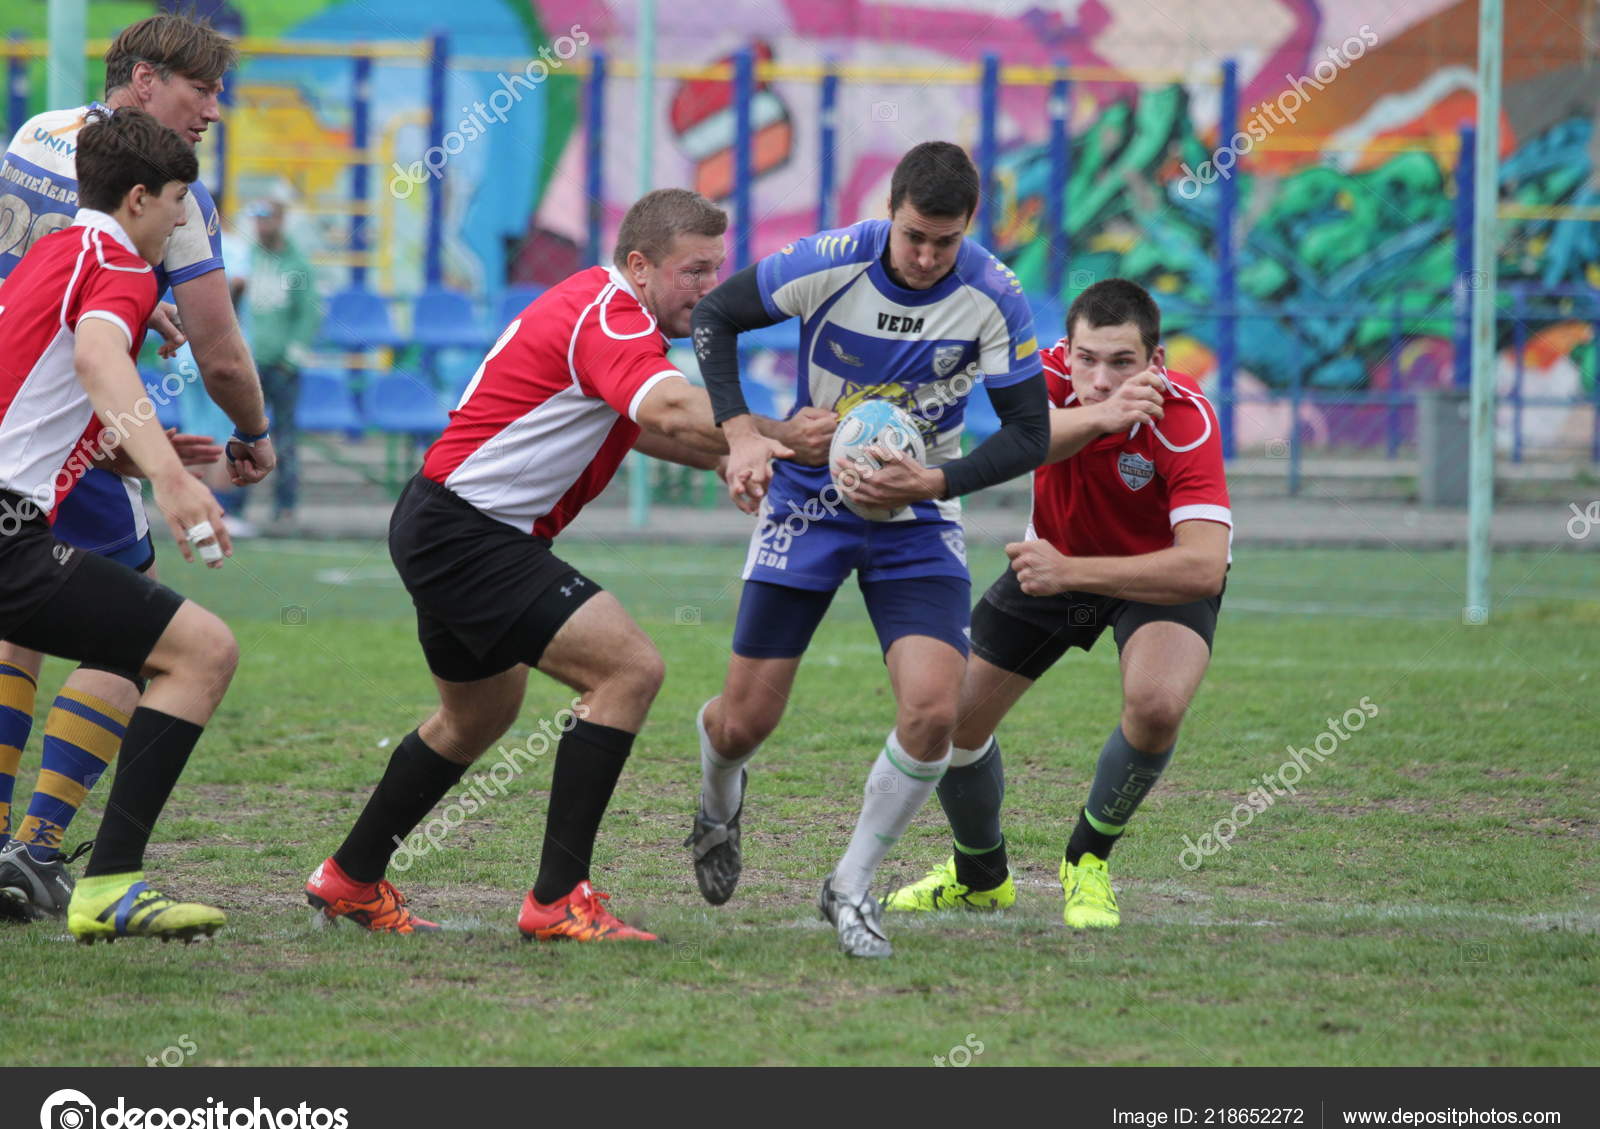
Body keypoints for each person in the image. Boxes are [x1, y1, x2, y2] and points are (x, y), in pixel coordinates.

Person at [305, 188, 829, 940]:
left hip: (450, 524)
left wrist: (745, 448)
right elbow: (670, 412)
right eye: (694, 271)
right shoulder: (613, 313)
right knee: (629, 670)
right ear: (641, 266)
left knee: (475, 716)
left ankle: (350, 877)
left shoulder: (607, 310)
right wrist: (769, 434)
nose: (710, 288)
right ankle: (557, 898)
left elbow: (648, 429)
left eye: (718, 270)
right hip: (468, 534)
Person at [685, 141, 1050, 957]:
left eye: (944, 242)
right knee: (744, 722)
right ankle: (717, 798)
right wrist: (745, 433)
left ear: (969, 232)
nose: (925, 257)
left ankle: (851, 884)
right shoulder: (830, 260)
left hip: (916, 517)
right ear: (891, 212)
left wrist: (934, 484)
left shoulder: (993, 295)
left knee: (933, 709)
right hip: (808, 501)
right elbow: (714, 317)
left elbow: (1031, 431)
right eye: (914, 235)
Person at [0, 13, 274, 919]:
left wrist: (123, 444)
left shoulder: (43, 166)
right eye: (203, 92)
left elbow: (59, 361)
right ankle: (69, 865)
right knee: (187, 644)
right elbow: (113, 361)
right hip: (20, 504)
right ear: (144, 198)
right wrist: (171, 469)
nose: (213, 112)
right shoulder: (129, 256)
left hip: (30, 474)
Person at [882, 278, 1232, 928]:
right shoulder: (1042, 375)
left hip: (1150, 575)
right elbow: (1019, 442)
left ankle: (1088, 859)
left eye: (1122, 362)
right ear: (1066, 352)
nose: (1101, 378)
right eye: (1088, 359)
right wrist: (1101, 416)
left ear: (1155, 363)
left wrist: (1074, 570)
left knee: (1156, 705)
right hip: (1055, 562)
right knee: (948, 719)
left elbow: (1205, 566)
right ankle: (979, 875)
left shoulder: (1184, 417)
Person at [238, 195, 320, 534]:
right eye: (257, 217)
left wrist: (292, 357)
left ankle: (285, 508)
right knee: (242, 436)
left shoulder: (298, 263)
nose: (261, 224)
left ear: (281, 220)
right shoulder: (247, 258)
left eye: (268, 217)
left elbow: (309, 314)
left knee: (284, 439)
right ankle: (234, 508)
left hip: (281, 368)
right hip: (249, 364)